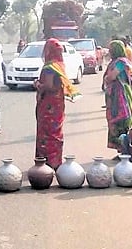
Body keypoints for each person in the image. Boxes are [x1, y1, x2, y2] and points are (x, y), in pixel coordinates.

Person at [34, 39, 81, 169]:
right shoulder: (60, 65)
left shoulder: (49, 67)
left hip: (48, 105)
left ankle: (46, 162)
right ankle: (55, 161)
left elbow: (48, 86)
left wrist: (38, 84)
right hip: (58, 104)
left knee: (47, 132)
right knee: (56, 131)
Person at [104, 40, 132, 151]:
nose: (109, 51)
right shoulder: (114, 62)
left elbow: (112, 76)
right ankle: (119, 149)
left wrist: (107, 79)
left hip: (121, 94)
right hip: (113, 95)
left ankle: (126, 149)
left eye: (111, 49)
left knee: (122, 118)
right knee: (113, 118)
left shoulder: (121, 62)